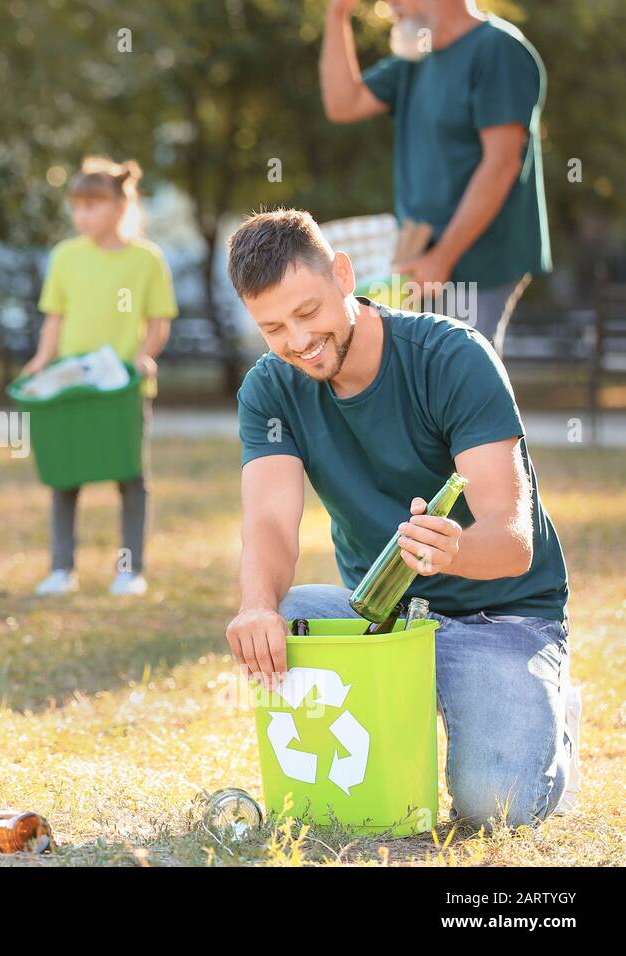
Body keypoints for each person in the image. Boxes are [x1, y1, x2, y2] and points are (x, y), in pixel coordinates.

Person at [223, 209, 574, 829]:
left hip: (501, 614)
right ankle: (411, 715)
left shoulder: (452, 357)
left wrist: (452, 549)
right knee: (281, 615)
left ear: (342, 274)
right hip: (381, 617)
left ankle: (546, 715)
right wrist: (255, 604)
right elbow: (271, 524)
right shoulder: (270, 388)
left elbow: (515, 538)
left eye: (307, 313)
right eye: (273, 327)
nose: (298, 341)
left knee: (497, 807)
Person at [320, 0, 550, 356]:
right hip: (421, 260)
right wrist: (337, 15)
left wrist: (443, 256)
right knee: (429, 393)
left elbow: (502, 164)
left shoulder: (498, 50)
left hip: (478, 264)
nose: (388, 5)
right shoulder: (416, 61)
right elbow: (343, 104)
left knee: (463, 387)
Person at [22, 158, 177, 597]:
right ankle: (61, 569)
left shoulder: (147, 260)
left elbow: (157, 322)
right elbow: (55, 317)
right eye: (77, 206)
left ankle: (130, 571)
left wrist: (144, 357)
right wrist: (41, 360)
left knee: (129, 478)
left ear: (118, 206)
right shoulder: (65, 257)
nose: (82, 215)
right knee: (64, 476)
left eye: (92, 205)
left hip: (122, 390)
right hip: (72, 386)